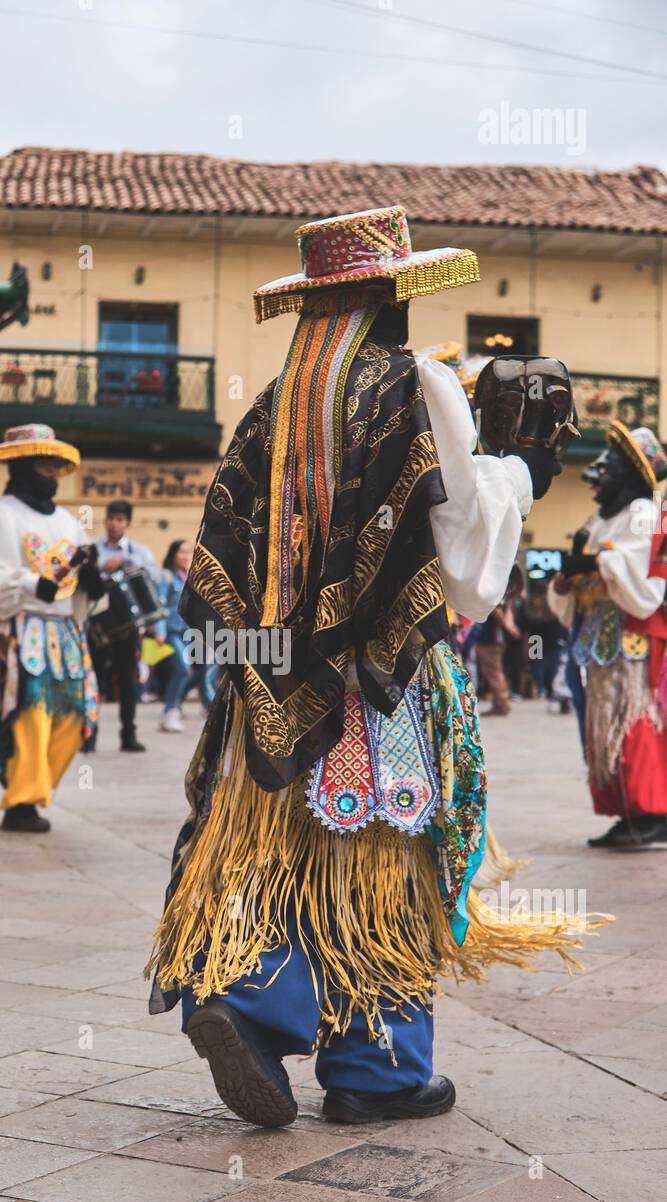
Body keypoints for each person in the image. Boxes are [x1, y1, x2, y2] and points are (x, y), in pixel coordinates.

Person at [146, 205, 596, 1129]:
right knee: (374, 873)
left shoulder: (274, 405)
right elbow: (466, 565)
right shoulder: (415, 382)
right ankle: (376, 1073)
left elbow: (222, 559)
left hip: (266, 689)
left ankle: (242, 997)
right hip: (374, 691)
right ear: (391, 295)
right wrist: (519, 469)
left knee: (275, 860)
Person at [0, 424, 102, 833]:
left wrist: (95, 584)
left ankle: (25, 779)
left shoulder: (68, 521)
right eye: (45, 466)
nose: (54, 475)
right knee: (31, 714)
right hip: (20, 631)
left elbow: (83, 581)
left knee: (78, 719)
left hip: (67, 635)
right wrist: (30, 584)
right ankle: (21, 800)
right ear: (23, 467)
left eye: (57, 467)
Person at [548, 423, 667, 848]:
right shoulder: (599, 518)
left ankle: (652, 811)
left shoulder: (644, 514)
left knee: (633, 722)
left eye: (611, 463)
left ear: (632, 473)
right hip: (598, 634)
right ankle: (627, 811)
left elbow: (646, 584)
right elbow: (589, 565)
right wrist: (566, 581)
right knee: (602, 724)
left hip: (633, 635)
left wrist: (598, 564)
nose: (600, 470)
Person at [90, 500, 159, 752]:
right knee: (94, 679)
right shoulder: (93, 548)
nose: (114, 523)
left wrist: (125, 561)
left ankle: (128, 735)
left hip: (128, 626)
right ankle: (90, 734)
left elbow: (154, 576)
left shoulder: (138, 551)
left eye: (119, 519)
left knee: (127, 680)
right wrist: (99, 567)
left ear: (127, 523)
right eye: (111, 518)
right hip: (97, 625)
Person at [155, 538, 215, 732]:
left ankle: (192, 707)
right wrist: (160, 632)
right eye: (181, 552)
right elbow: (160, 607)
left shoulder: (187, 578)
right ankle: (170, 711)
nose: (185, 556)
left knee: (201, 670)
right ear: (173, 554)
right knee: (181, 669)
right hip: (170, 632)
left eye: (188, 552)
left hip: (189, 634)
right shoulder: (167, 577)